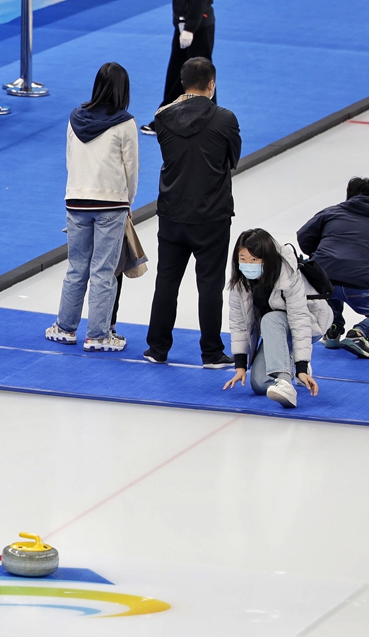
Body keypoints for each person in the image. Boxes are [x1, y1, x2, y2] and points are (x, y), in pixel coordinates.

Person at [144, 57, 240, 367]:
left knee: (166, 282)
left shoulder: (162, 118)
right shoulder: (225, 119)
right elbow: (233, 159)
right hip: (211, 216)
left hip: (172, 212)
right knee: (210, 284)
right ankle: (211, 352)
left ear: (183, 83)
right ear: (212, 84)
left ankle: (157, 349)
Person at [45, 62, 138, 352]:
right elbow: (131, 168)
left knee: (76, 267)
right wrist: (128, 201)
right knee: (103, 271)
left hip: (76, 201)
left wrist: (75, 191)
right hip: (112, 203)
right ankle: (98, 335)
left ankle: (64, 328)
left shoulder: (74, 118)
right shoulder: (125, 123)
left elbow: (70, 158)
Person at [222, 229, 330, 409]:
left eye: (254, 260)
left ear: (267, 258)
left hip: (310, 323)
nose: (248, 264)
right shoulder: (240, 283)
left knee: (270, 319)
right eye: (243, 259)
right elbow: (239, 324)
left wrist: (302, 366)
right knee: (259, 384)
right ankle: (288, 364)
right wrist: (240, 366)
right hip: (276, 331)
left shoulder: (288, 276)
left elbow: (300, 320)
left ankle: (286, 384)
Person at [297, 177, 369, 360]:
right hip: (361, 285)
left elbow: (303, 236)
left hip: (322, 281)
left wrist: (322, 257)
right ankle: (360, 334)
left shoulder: (331, 212)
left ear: (349, 197)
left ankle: (332, 329)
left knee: (329, 281)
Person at [141, 0, 214, 136]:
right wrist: (180, 23)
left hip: (198, 27)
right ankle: (167, 118)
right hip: (183, 26)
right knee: (176, 74)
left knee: (201, 75)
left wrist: (190, 27)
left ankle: (210, 121)